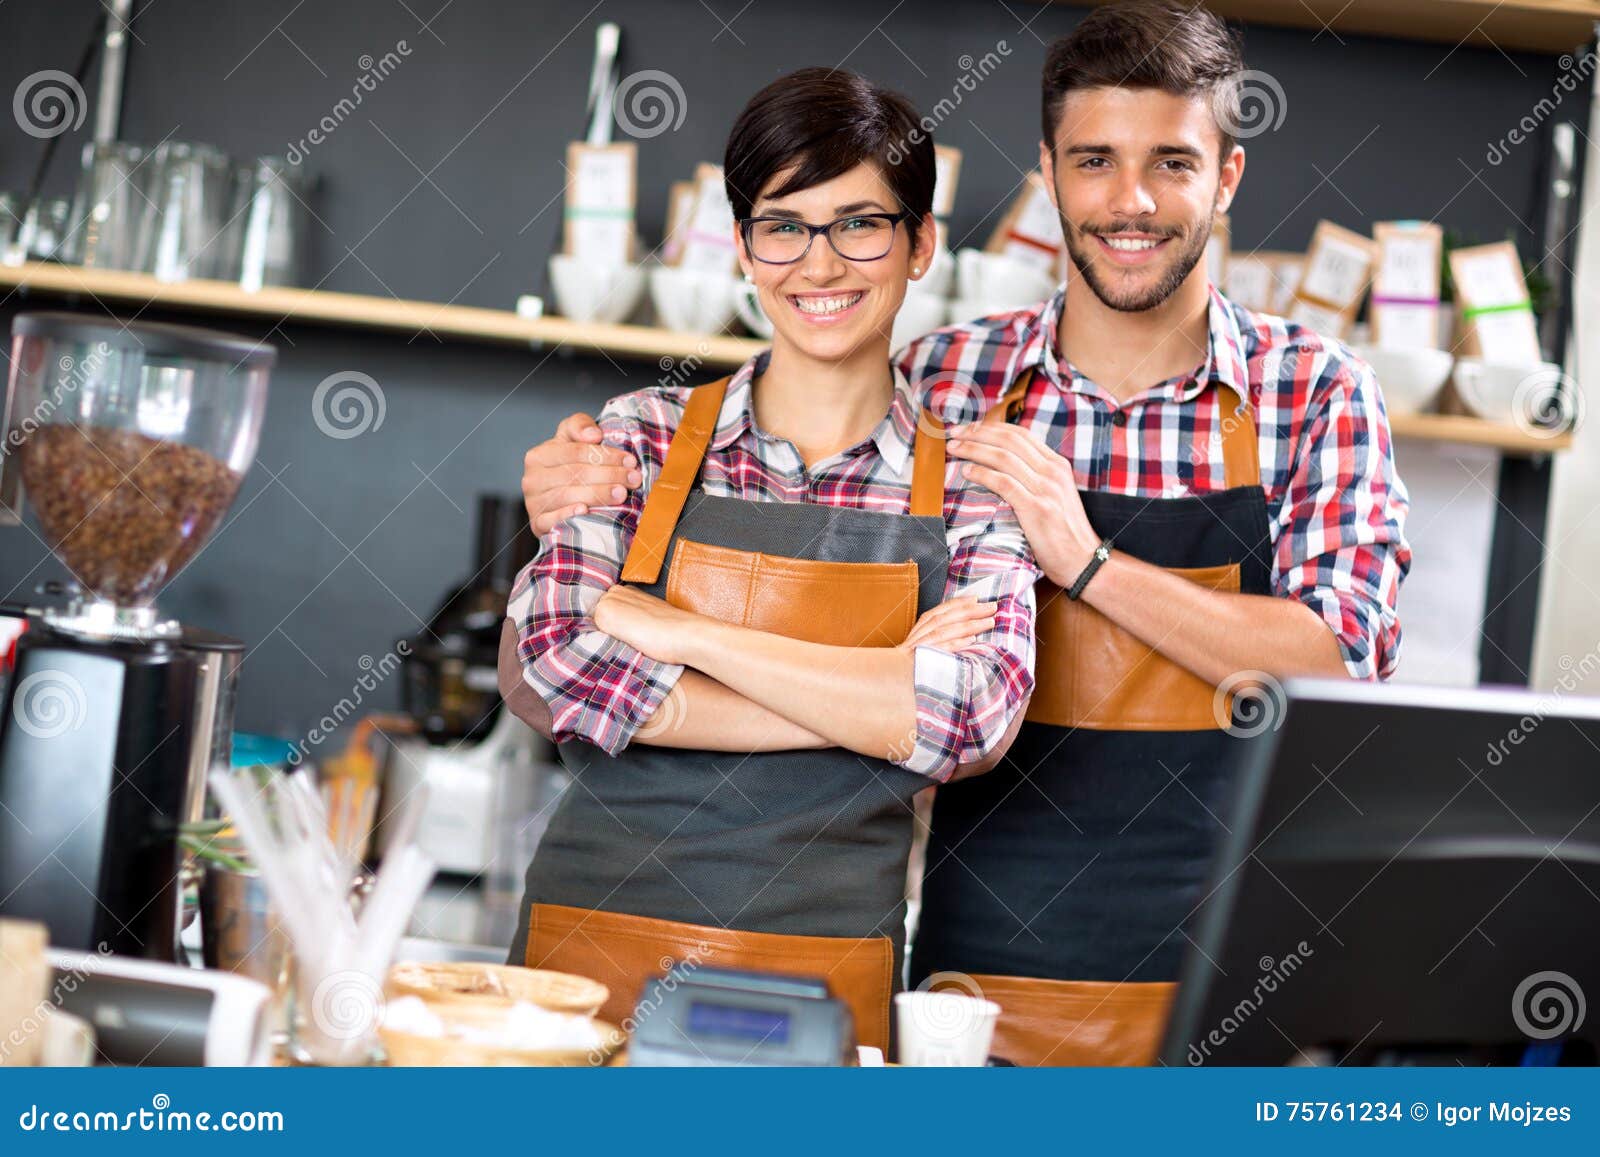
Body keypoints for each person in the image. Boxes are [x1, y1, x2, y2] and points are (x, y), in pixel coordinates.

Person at [520, 1, 1410, 1065]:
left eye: (1171, 161)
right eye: (1093, 160)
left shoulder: (1310, 392)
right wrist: (578, 502)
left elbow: (1341, 665)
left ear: (1225, 176)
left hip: (1229, 963)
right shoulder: (944, 380)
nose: (1129, 200)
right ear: (1049, 173)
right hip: (965, 970)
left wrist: (1083, 560)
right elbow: (564, 657)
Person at [498, 67, 1038, 1053]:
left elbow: (969, 720)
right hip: (588, 956)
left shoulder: (973, 485)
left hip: (823, 974)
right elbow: (558, 665)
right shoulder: (640, 436)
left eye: (859, 224)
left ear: (919, 244)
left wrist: (686, 636)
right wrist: (877, 695)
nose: (818, 263)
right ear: (745, 247)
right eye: (783, 225)